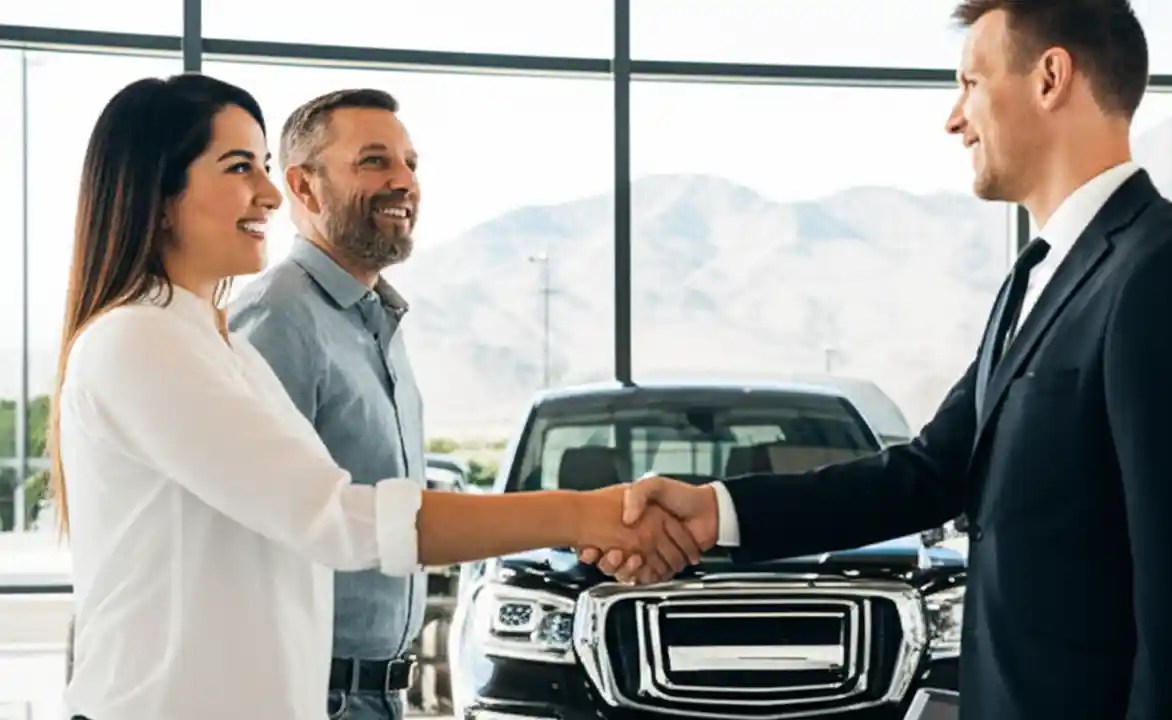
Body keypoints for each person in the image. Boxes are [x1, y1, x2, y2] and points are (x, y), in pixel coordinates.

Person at [585, 2, 1172, 719]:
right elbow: (929, 473)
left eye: (970, 84)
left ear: (1050, 77)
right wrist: (714, 512)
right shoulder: (1037, 280)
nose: (955, 118)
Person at [49, 73, 697, 720]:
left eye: (265, 167)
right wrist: (583, 515)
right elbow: (336, 518)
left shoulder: (223, 347)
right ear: (158, 193)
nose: (270, 194)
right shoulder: (139, 342)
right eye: (239, 167)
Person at [227, 88, 428, 720]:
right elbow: (248, 531)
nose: (404, 182)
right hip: (316, 696)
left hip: (380, 694)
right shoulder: (277, 321)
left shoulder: (377, 322)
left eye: (410, 163)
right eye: (374, 162)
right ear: (304, 188)